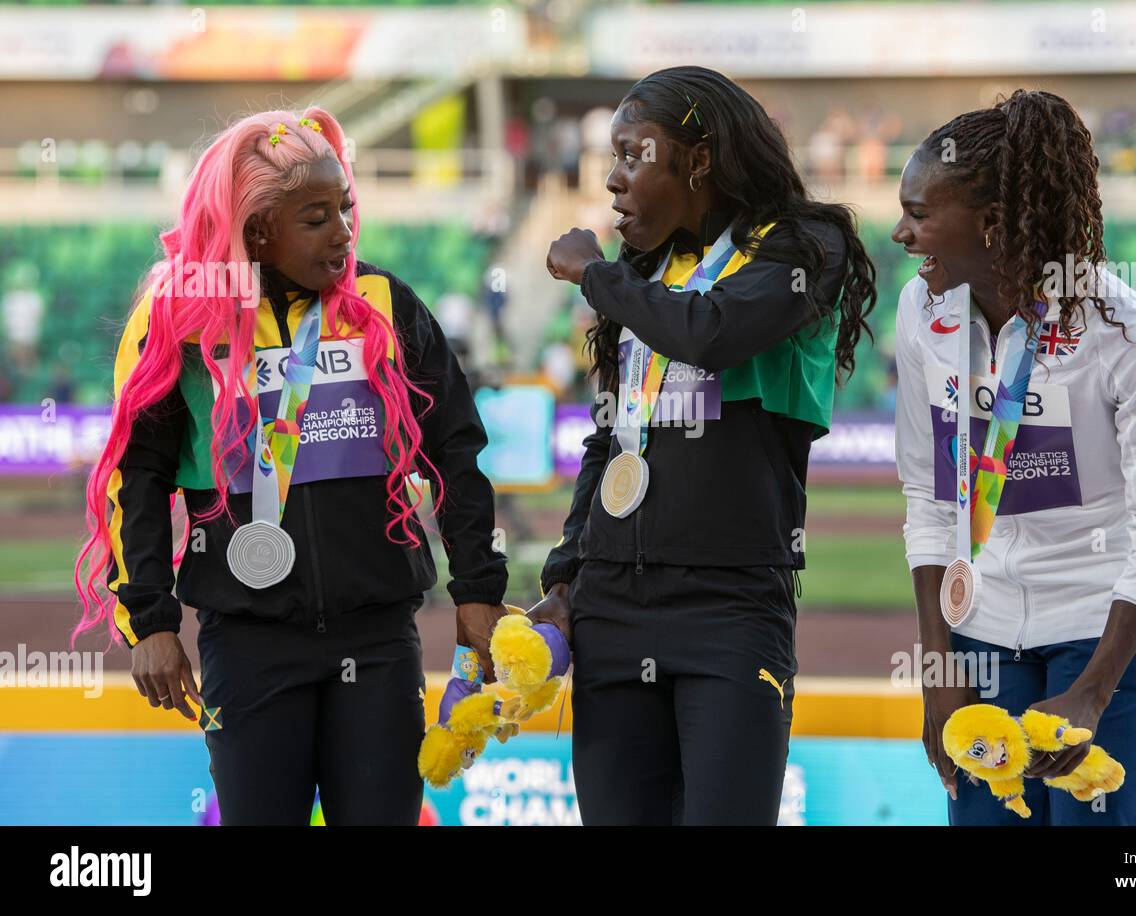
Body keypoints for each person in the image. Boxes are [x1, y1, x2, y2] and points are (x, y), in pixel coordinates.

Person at [72, 109, 509, 825]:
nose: (342, 230)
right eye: (316, 217)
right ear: (256, 230)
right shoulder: (181, 320)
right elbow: (135, 476)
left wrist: (478, 588)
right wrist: (149, 620)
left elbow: (455, 449)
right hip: (248, 643)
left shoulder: (385, 304)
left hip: (376, 638)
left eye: (345, 208)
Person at [536, 66, 877, 825]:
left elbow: (711, 334)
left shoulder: (800, 249)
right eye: (611, 161)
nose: (616, 182)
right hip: (611, 607)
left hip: (730, 608)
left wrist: (593, 274)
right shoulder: (644, 277)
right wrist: (562, 580)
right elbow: (608, 443)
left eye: (634, 154)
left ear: (698, 160)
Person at [890, 90, 1136, 825]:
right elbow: (930, 499)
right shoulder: (919, 314)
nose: (902, 233)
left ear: (992, 225)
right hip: (983, 632)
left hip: (1111, 637)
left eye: (920, 214)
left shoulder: (1128, 335)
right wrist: (939, 670)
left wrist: (1095, 690)